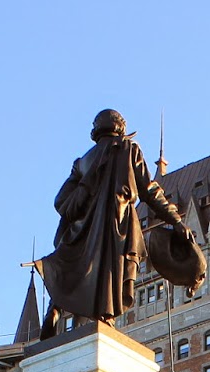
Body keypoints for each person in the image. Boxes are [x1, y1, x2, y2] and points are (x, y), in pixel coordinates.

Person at [36, 108, 193, 336]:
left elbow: (61, 201)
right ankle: (105, 316)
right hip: (115, 225)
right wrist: (176, 220)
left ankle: (55, 309)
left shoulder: (82, 162)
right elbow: (149, 190)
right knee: (110, 270)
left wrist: (86, 188)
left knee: (75, 269)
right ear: (120, 127)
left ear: (96, 130)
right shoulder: (128, 150)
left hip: (83, 229)